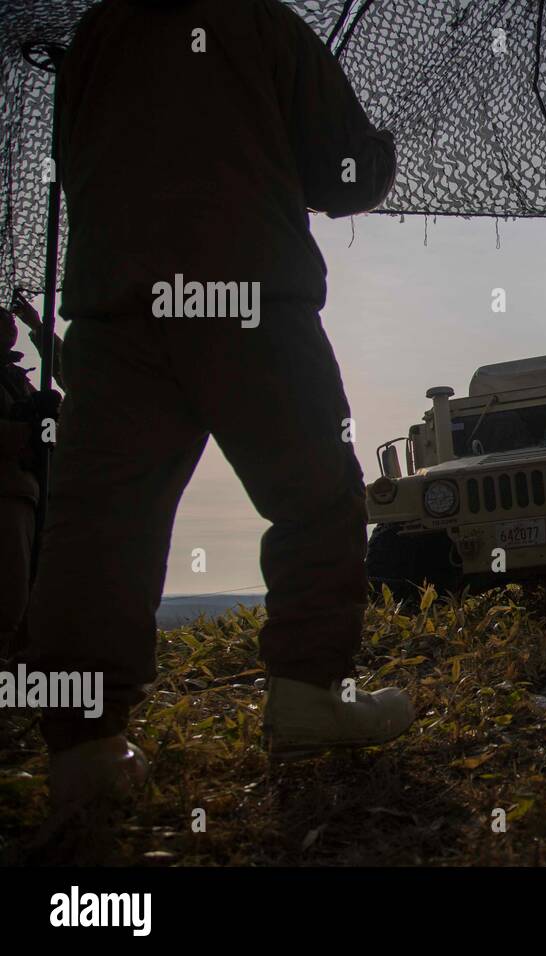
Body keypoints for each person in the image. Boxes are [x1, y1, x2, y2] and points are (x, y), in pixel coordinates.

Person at [24, 0, 413, 814]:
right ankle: (308, 696)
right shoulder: (262, 23)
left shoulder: (97, 33)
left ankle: (85, 747)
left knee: (100, 525)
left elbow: (72, 161)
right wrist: (380, 149)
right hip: (246, 296)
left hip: (115, 309)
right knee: (314, 496)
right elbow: (343, 175)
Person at [0, 293, 62, 657]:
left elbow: (81, 380)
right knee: (9, 601)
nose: (8, 323)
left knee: (29, 601)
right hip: (9, 495)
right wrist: (28, 429)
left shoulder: (16, 379)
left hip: (30, 495)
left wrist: (39, 328)